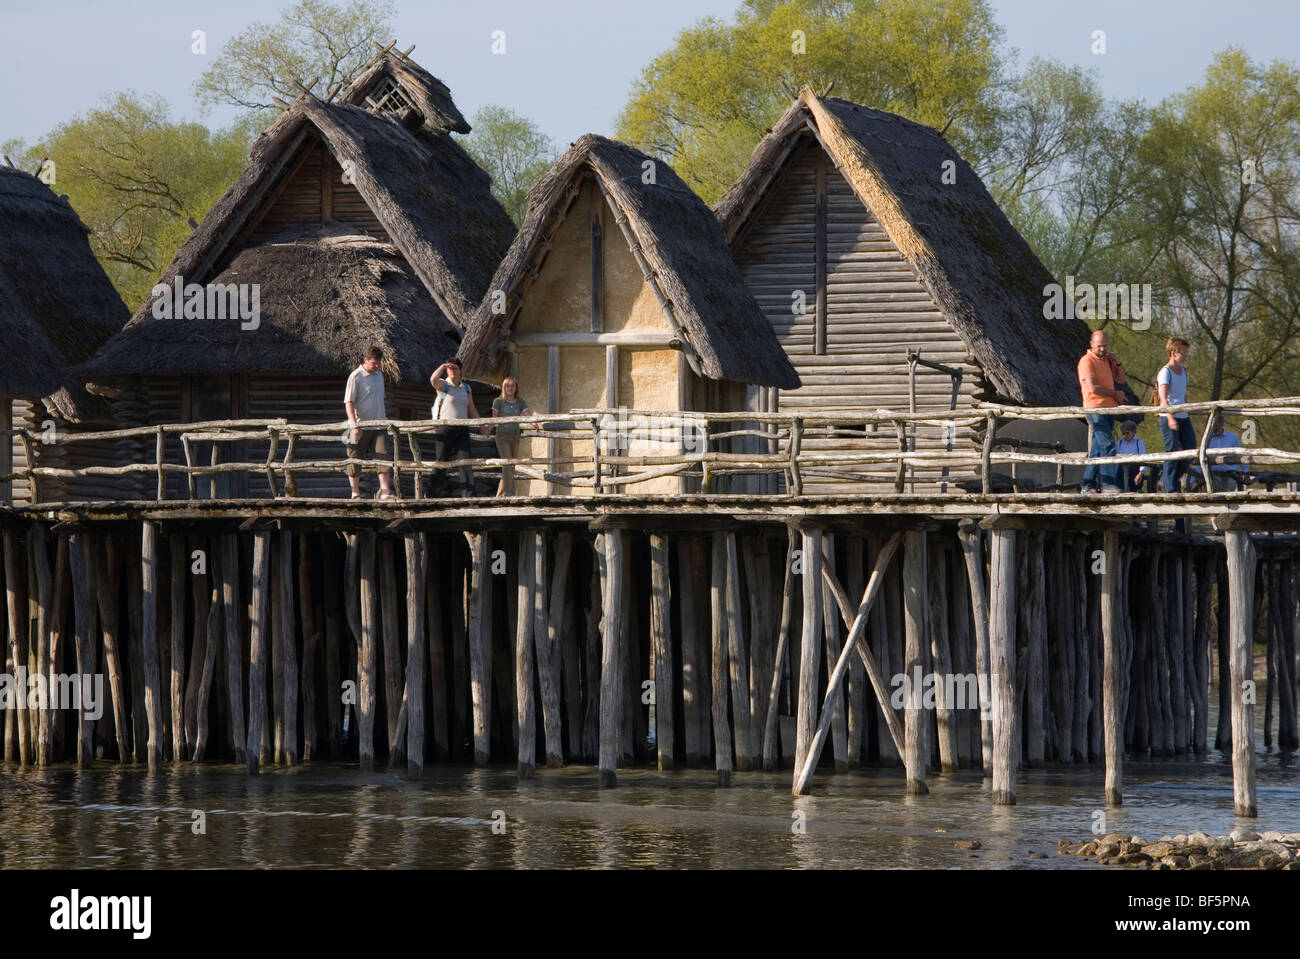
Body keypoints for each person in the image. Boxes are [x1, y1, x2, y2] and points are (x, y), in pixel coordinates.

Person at [1077, 329, 1126, 493]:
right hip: (1095, 408)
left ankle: (1087, 485)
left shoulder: (1106, 360)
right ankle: (1107, 484)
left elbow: (1121, 379)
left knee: (1097, 450)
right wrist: (1115, 394)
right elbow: (1093, 388)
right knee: (1108, 445)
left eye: (1105, 346)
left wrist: (1117, 363)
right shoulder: (1086, 361)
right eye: (1099, 346)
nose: (1103, 349)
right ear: (1092, 345)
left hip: (1109, 408)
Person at [344, 345, 394, 500]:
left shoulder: (379, 376)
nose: (377, 365)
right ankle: (355, 493)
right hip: (360, 424)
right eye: (374, 363)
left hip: (379, 424)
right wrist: (354, 424)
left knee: (383, 455)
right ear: (365, 360)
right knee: (355, 457)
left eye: (379, 362)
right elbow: (349, 402)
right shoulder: (356, 376)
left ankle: (385, 491)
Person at [430, 358, 480, 497]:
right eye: (449, 368)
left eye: (455, 368)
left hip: (462, 428)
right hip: (445, 428)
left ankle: (469, 496)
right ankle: (433, 494)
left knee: (465, 461)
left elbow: (471, 409)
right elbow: (433, 379)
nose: (452, 371)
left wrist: (483, 424)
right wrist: (442, 365)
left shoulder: (466, 388)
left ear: (460, 370)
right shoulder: (444, 385)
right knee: (441, 461)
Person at [1156, 337, 1195, 494]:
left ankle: (1167, 479)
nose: (1185, 356)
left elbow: (1183, 395)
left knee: (1191, 448)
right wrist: (1170, 417)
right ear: (1173, 353)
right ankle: (1170, 487)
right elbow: (1163, 398)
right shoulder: (1165, 372)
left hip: (1183, 416)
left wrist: (1186, 412)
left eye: (1186, 353)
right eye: (1182, 353)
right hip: (1168, 417)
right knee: (1172, 451)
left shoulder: (1183, 371)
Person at [488, 376, 531, 496]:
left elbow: (528, 415)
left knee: (511, 466)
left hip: (515, 436)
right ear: (503, 387)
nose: (510, 388)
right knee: (507, 463)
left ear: (516, 388)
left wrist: (534, 423)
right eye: (507, 385)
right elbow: (494, 419)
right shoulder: (499, 401)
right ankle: (509, 493)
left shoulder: (520, 402)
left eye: (512, 386)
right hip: (502, 436)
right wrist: (487, 428)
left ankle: (500, 493)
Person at [1205, 415, 1246, 491]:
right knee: (1214, 498)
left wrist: (1245, 471)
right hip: (1213, 475)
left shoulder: (1232, 437)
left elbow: (1240, 454)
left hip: (1230, 475)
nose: (1214, 427)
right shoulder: (1207, 439)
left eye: (1216, 424)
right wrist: (1197, 476)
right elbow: (1203, 457)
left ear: (1221, 424)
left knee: (1228, 498)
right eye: (1212, 424)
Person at [1114, 419, 1148, 492]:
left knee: (1135, 488)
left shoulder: (1139, 443)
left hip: (1135, 468)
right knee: (1119, 486)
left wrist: (1140, 473)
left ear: (1133, 432)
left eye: (1128, 433)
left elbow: (1144, 458)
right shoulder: (1120, 442)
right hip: (1121, 468)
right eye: (1124, 433)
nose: (1126, 435)